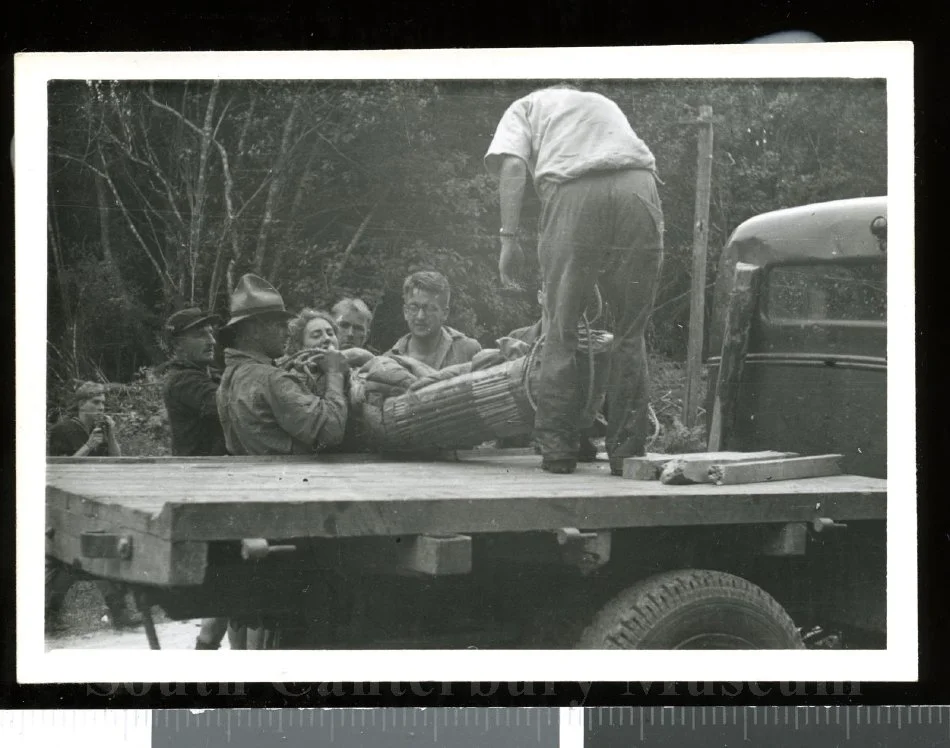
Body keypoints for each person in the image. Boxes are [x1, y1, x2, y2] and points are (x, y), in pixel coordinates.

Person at [485, 84, 664, 475]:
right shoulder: (600, 103)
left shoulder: (524, 105)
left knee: (560, 328)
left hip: (575, 191)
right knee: (631, 330)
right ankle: (627, 454)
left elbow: (514, 167)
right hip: (640, 186)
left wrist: (508, 238)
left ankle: (558, 449)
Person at [216, 275, 348, 649]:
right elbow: (330, 428)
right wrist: (335, 374)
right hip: (293, 510)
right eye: (275, 323)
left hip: (261, 506)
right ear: (253, 330)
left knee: (262, 624)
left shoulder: (231, 376)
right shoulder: (271, 379)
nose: (284, 329)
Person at [156, 307, 236, 650]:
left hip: (215, 484)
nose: (211, 339)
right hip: (204, 487)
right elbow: (228, 406)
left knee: (231, 579)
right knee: (229, 577)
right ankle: (206, 652)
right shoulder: (184, 381)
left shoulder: (203, 375)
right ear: (176, 344)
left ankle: (209, 648)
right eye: (199, 334)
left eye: (211, 333)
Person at [46, 382, 141, 631]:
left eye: (102, 403)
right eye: (95, 403)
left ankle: (119, 614)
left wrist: (111, 435)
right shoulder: (63, 430)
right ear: (80, 404)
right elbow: (59, 469)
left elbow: (116, 461)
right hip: (67, 501)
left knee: (99, 551)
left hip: (95, 499)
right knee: (66, 560)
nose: (100, 408)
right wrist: (88, 446)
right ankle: (48, 615)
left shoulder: (101, 428)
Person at [387, 270, 481, 370]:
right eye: (414, 308)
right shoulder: (390, 361)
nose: (420, 316)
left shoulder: (467, 350)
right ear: (406, 312)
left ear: (445, 313)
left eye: (430, 309)